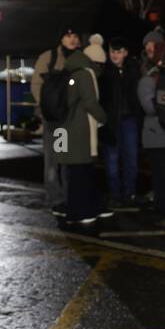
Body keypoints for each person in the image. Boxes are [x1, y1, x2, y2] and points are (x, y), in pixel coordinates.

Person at [52, 41, 108, 227]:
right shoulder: (84, 74)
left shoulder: (71, 70)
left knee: (76, 171)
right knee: (80, 173)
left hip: (66, 128)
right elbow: (90, 103)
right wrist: (105, 119)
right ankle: (78, 213)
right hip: (79, 130)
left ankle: (82, 208)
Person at [32, 28, 82, 217]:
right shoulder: (49, 57)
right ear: (60, 38)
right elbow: (36, 84)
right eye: (68, 35)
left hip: (71, 119)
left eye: (75, 35)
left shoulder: (79, 58)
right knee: (54, 160)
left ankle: (68, 197)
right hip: (54, 119)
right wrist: (44, 108)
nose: (72, 39)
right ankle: (56, 198)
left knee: (67, 159)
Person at [138, 28, 165, 224]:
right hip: (158, 133)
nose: (149, 50)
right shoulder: (149, 74)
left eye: (152, 46)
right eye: (146, 47)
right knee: (163, 174)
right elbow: (150, 107)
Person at [99, 38, 144, 207]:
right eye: (112, 52)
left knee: (131, 159)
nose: (115, 55)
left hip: (130, 120)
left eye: (118, 52)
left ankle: (129, 193)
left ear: (125, 53)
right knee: (111, 160)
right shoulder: (104, 73)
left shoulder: (134, 70)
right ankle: (115, 194)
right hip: (111, 122)